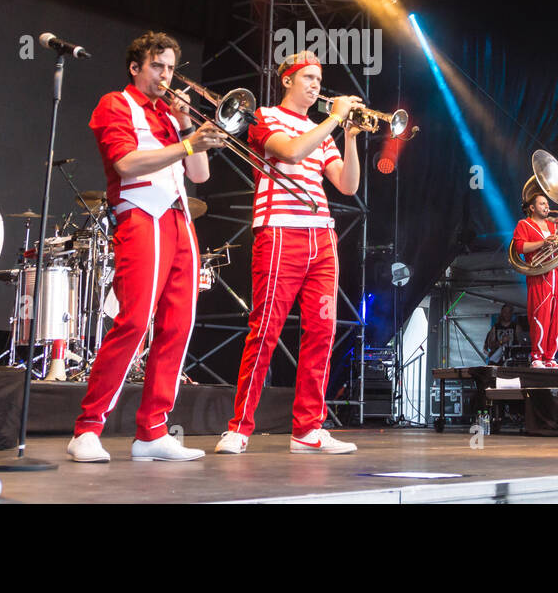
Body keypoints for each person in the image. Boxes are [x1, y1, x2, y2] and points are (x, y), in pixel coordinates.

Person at [67, 32, 225, 462]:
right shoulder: (115, 104)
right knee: (134, 321)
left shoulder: (171, 115)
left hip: (177, 219)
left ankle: (153, 431)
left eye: (171, 68)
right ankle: (87, 428)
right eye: (158, 66)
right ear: (135, 67)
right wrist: (187, 142)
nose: (165, 76)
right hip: (140, 215)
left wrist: (189, 127)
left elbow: (201, 174)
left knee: (179, 324)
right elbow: (125, 163)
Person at [214, 51, 363, 455]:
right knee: (265, 330)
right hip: (280, 233)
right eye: (308, 78)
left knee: (322, 333)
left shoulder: (323, 130)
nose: (316, 85)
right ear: (287, 80)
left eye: (319, 79)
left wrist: (348, 135)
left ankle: (308, 429)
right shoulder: (264, 116)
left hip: (322, 238)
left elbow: (347, 185)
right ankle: (239, 428)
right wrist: (334, 119)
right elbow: (292, 152)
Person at [510, 192, 558, 369]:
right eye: (542, 204)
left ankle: (550, 357)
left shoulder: (553, 225)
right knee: (540, 314)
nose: (547, 206)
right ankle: (537, 356)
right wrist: (543, 243)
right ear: (532, 208)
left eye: (547, 203)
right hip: (539, 274)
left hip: (557, 273)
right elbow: (519, 246)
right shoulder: (524, 224)